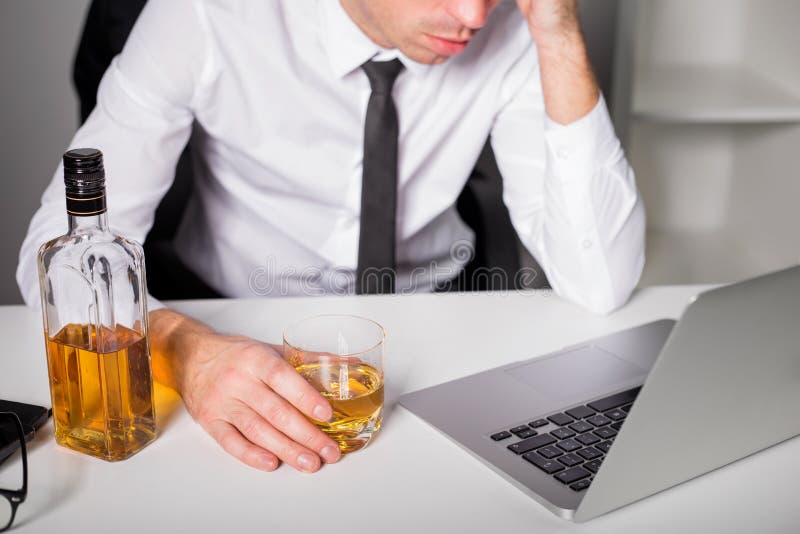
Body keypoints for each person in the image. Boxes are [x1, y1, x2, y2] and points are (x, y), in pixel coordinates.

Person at [17, 0, 645, 474]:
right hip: (236, 318)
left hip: (434, 320)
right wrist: (183, 348)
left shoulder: (513, 22)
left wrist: (558, 28)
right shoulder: (206, 12)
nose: (472, 15)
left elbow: (602, 282)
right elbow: (48, 259)